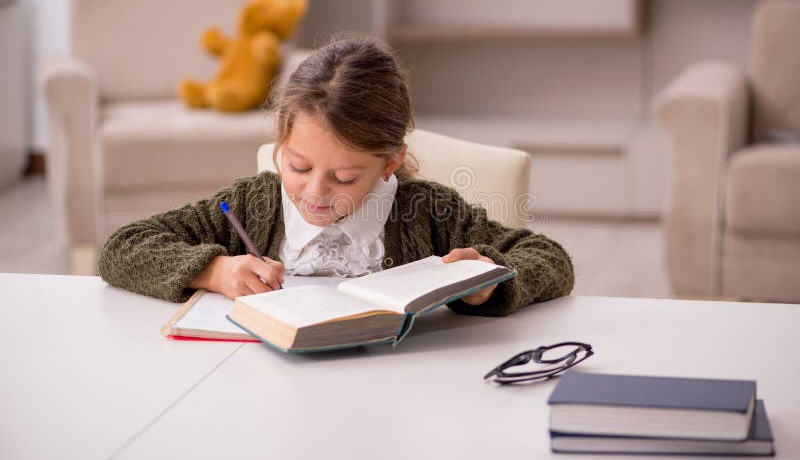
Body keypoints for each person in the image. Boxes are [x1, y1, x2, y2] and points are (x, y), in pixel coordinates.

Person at [98, 35, 574, 317]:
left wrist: (489, 279)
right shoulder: (252, 204)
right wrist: (214, 270)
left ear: (389, 163)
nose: (315, 192)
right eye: (298, 166)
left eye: (344, 178)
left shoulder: (428, 211)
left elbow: (550, 259)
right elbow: (122, 248)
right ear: (281, 143)